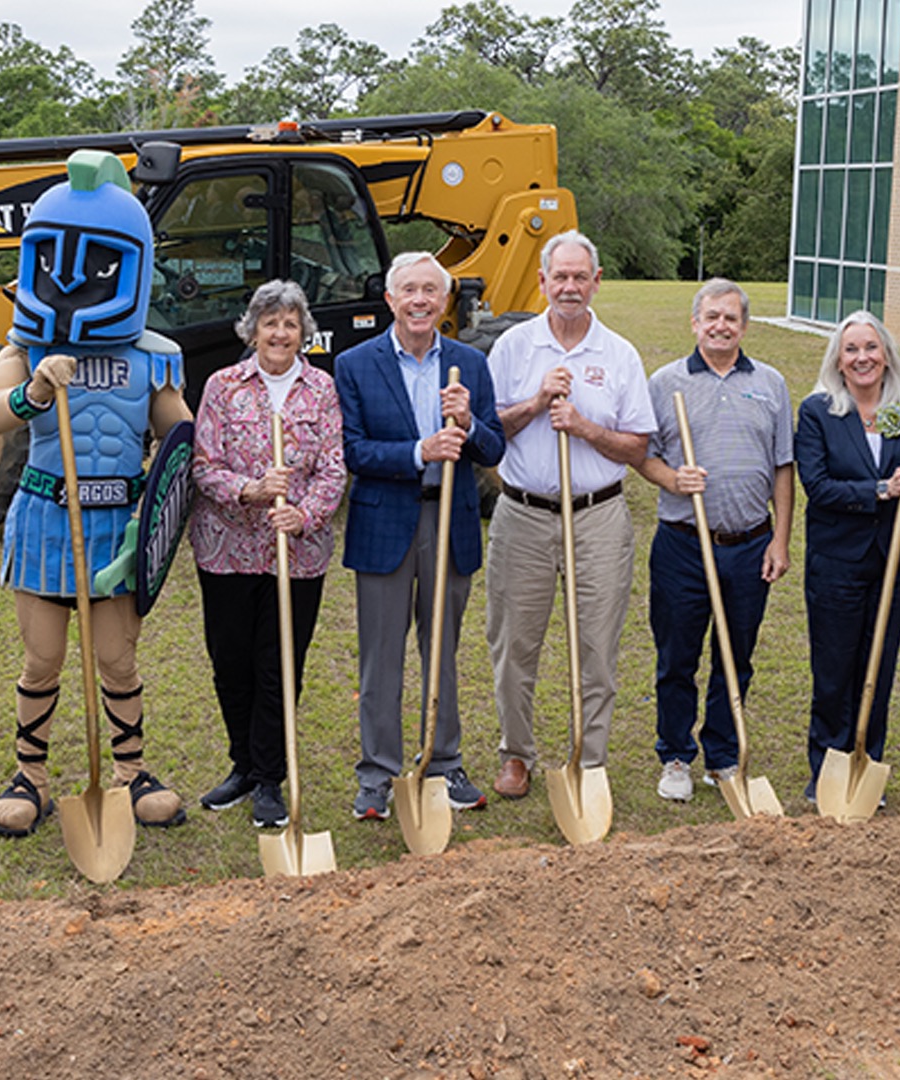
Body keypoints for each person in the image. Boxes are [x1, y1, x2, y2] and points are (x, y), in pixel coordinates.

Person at [0, 150, 191, 837]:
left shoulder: (153, 355)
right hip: (43, 515)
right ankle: (30, 776)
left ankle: (131, 771)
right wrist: (34, 391)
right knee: (42, 659)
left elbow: (180, 441)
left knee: (117, 659)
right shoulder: (25, 348)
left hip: (118, 524)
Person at [484, 230, 655, 799]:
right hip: (524, 515)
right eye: (560, 276)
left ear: (597, 282)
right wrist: (534, 404)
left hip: (598, 516)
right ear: (542, 281)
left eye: (581, 276)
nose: (570, 287)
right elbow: (486, 432)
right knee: (514, 646)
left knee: (597, 649)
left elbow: (637, 448)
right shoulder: (512, 348)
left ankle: (590, 758)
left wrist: (583, 427)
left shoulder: (620, 354)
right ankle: (516, 754)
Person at [336, 252, 505, 820]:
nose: (419, 300)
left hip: (449, 518)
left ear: (444, 300)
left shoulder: (467, 365)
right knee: (381, 657)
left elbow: (494, 448)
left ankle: (443, 760)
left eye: (431, 291)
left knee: (443, 651)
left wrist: (469, 424)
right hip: (385, 520)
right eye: (409, 290)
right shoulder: (355, 364)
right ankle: (377, 774)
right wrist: (419, 451)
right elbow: (353, 450)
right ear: (390, 299)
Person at [190, 280, 346, 829]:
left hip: (296, 556)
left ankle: (270, 778)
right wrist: (250, 490)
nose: (280, 333)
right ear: (252, 329)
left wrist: (303, 515)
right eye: (270, 322)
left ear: (304, 332)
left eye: (290, 323)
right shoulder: (222, 386)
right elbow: (203, 464)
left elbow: (332, 468)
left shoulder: (320, 390)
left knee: (279, 665)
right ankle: (242, 765)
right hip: (227, 549)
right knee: (230, 663)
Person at [638, 279, 795, 801]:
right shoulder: (665, 382)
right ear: (695, 323)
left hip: (750, 543)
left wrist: (781, 540)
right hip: (683, 543)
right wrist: (671, 479)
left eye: (730, 318)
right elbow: (643, 455)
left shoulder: (771, 383)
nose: (721, 325)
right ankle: (676, 755)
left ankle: (724, 756)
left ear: (744, 326)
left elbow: (782, 468)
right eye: (711, 317)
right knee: (677, 655)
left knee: (737, 656)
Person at [795, 311, 900, 798]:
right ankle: (827, 771)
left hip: (895, 559)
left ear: (886, 356)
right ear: (838, 360)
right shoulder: (820, 411)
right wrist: (880, 488)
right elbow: (817, 487)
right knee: (835, 668)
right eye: (852, 349)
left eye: (871, 348)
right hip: (837, 561)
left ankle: (866, 763)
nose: (862, 358)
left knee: (878, 664)